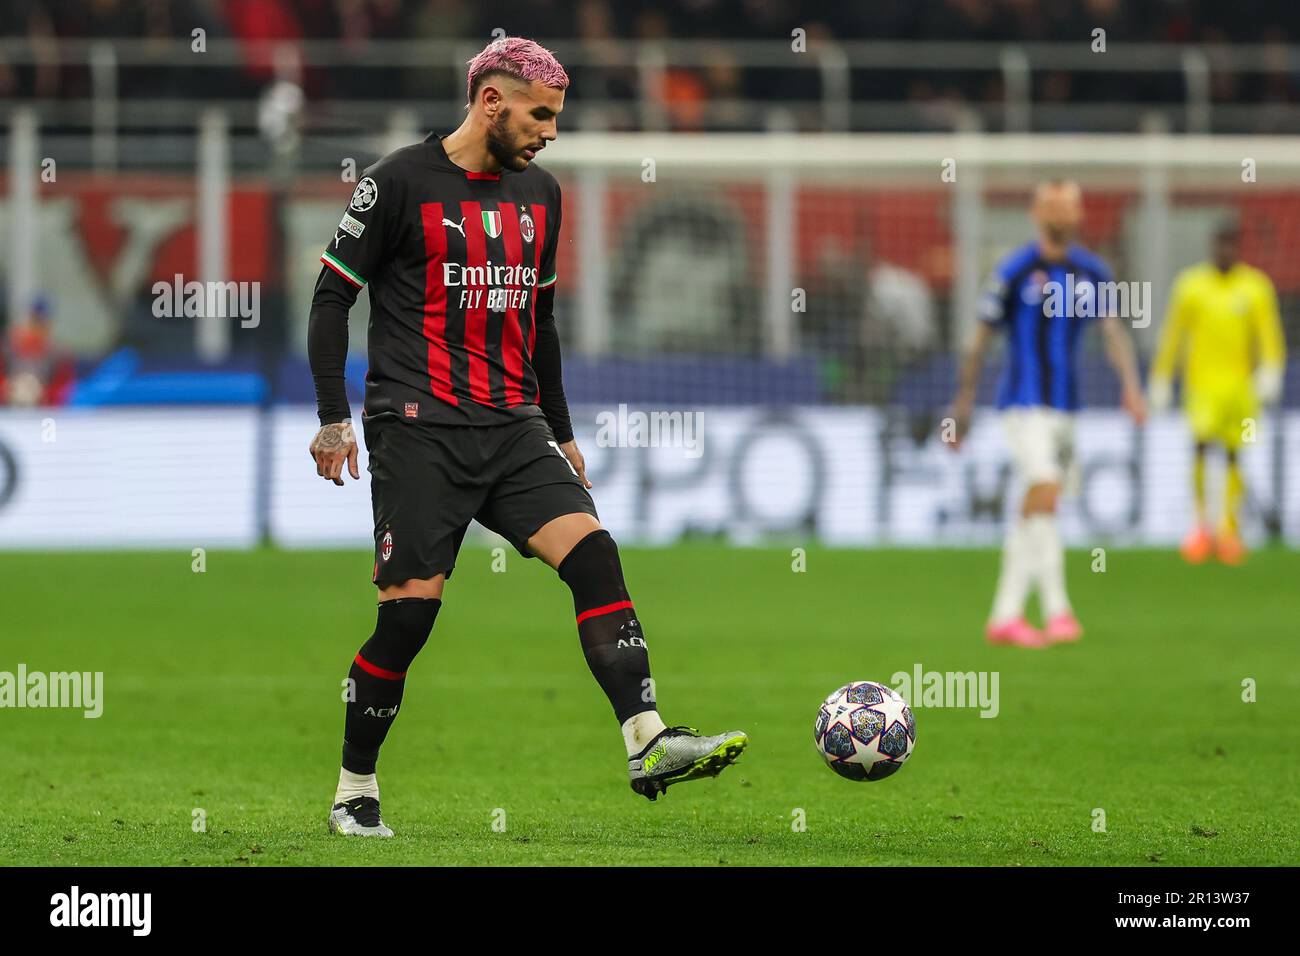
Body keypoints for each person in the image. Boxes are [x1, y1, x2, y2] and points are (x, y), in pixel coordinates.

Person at [307, 36, 747, 837]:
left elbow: (539, 321)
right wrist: (334, 417)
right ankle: (354, 788)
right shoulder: (397, 183)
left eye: (555, 118)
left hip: (514, 426)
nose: (549, 132)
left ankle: (646, 740)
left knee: (594, 553)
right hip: (418, 429)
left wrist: (563, 429)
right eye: (540, 115)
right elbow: (332, 299)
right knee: (408, 620)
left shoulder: (540, 193)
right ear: (490, 104)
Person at [949, 181, 1145, 648]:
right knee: (1045, 488)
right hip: (1022, 403)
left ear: (1079, 213)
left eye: (1071, 202)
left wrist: (1132, 388)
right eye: (1053, 201)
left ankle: (1005, 617)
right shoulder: (1015, 270)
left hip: (1065, 408)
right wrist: (962, 404)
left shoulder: (1092, 271)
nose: (1062, 210)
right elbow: (980, 339)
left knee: (1038, 507)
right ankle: (1058, 611)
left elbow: (1112, 332)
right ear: (1036, 211)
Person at [1149, 220, 1286, 564]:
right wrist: (1162, 377)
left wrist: (1271, 370)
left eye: (1229, 246)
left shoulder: (1256, 287)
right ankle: (1199, 529)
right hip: (1201, 387)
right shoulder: (1191, 286)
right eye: (1218, 246)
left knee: (1235, 455)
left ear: (1237, 249)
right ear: (1211, 247)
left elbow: (1270, 335)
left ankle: (1228, 530)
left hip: (1241, 389)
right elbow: (1173, 335)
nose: (1223, 252)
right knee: (1199, 449)